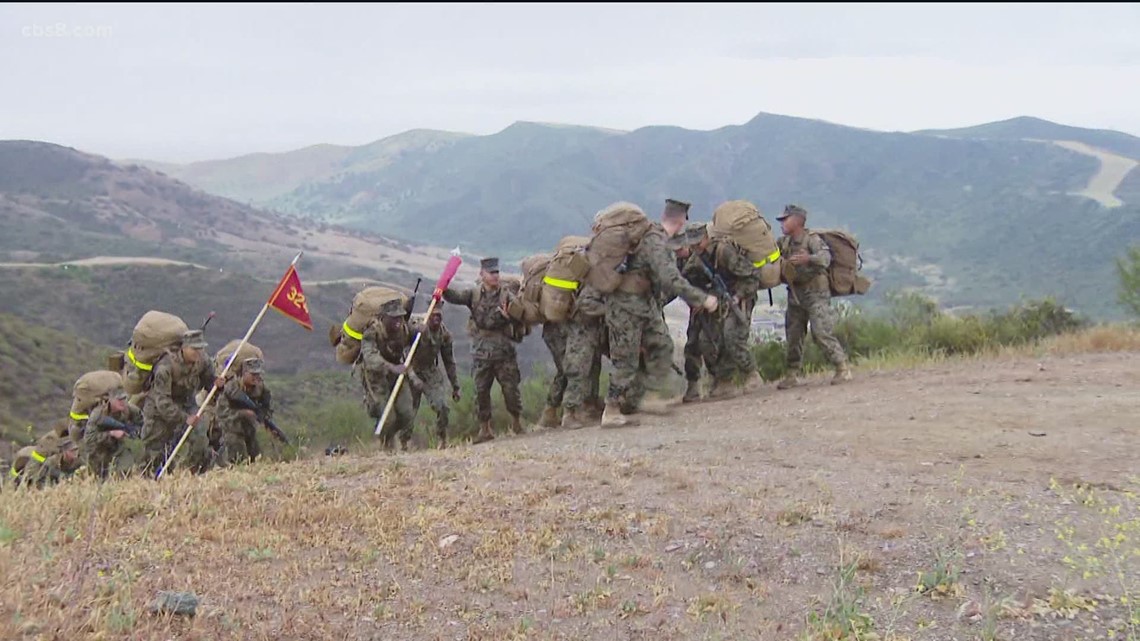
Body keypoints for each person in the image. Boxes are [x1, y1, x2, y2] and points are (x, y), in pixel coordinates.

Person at [598, 201, 718, 428]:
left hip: (645, 304)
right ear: (682, 221)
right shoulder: (655, 241)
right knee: (626, 360)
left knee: (662, 345)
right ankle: (611, 409)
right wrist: (702, 299)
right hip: (625, 306)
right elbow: (670, 279)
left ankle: (643, 397)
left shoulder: (653, 237)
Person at [443, 257, 527, 443]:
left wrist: (509, 316)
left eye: (497, 272)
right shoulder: (473, 294)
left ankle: (516, 422)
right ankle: (485, 429)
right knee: (481, 391)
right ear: (482, 274)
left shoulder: (506, 296)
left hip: (503, 351)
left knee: (510, 389)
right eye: (491, 273)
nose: (495, 276)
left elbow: (521, 316)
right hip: (481, 352)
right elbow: (454, 297)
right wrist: (443, 286)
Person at [775, 204, 852, 388]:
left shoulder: (812, 240)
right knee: (793, 335)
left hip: (816, 293)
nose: (782, 223)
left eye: (786, 219)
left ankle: (842, 368)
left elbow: (825, 259)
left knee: (821, 332)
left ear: (797, 221)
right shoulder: (784, 243)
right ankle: (792, 374)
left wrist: (808, 259)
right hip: (796, 294)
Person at [141, 330, 225, 476]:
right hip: (159, 411)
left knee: (200, 439)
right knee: (156, 452)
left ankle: (193, 473)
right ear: (183, 348)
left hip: (187, 404)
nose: (198, 352)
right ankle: (151, 480)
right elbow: (162, 402)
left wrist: (217, 384)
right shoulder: (165, 368)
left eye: (201, 348)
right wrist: (184, 418)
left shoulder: (203, 361)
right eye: (194, 349)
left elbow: (209, 382)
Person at [360, 299, 417, 451]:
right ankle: (386, 444)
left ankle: (391, 437)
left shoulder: (403, 328)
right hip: (376, 377)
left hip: (396, 374)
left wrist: (421, 330)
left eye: (400, 317)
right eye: (394, 317)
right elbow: (369, 356)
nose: (398, 321)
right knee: (387, 418)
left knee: (407, 414)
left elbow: (414, 334)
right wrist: (391, 367)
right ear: (384, 317)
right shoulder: (372, 332)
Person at [408, 303, 461, 448]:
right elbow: (404, 354)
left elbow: (449, 361)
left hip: (430, 371)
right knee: (408, 410)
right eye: (434, 316)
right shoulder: (415, 329)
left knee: (442, 406)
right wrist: (413, 377)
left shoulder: (444, 334)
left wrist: (455, 386)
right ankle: (403, 442)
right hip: (411, 369)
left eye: (439, 316)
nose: (436, 319)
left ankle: (442, 439)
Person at [215, 357, 276, 465]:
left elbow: (267, 409)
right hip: (230, 428)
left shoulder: (261, 389)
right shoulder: (230, 389)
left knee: (257, 459)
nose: (256, 378)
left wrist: (263, 418)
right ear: (244, 374)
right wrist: (242, 413)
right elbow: (221, 414)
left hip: (250, 429)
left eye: (258, 374)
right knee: (238, 458)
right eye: (253, 374)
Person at [83, 388, 142, 479]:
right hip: (100, 451)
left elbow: (141, 423)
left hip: (119, 447)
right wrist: (111, 434)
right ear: (110, 400)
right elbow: (89, 440)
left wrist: (134, 433)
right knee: (99, 478)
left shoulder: (130, 410)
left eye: (124, 399)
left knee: (124, 474)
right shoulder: (98, 414)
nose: (123, 402)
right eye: (119, 400)